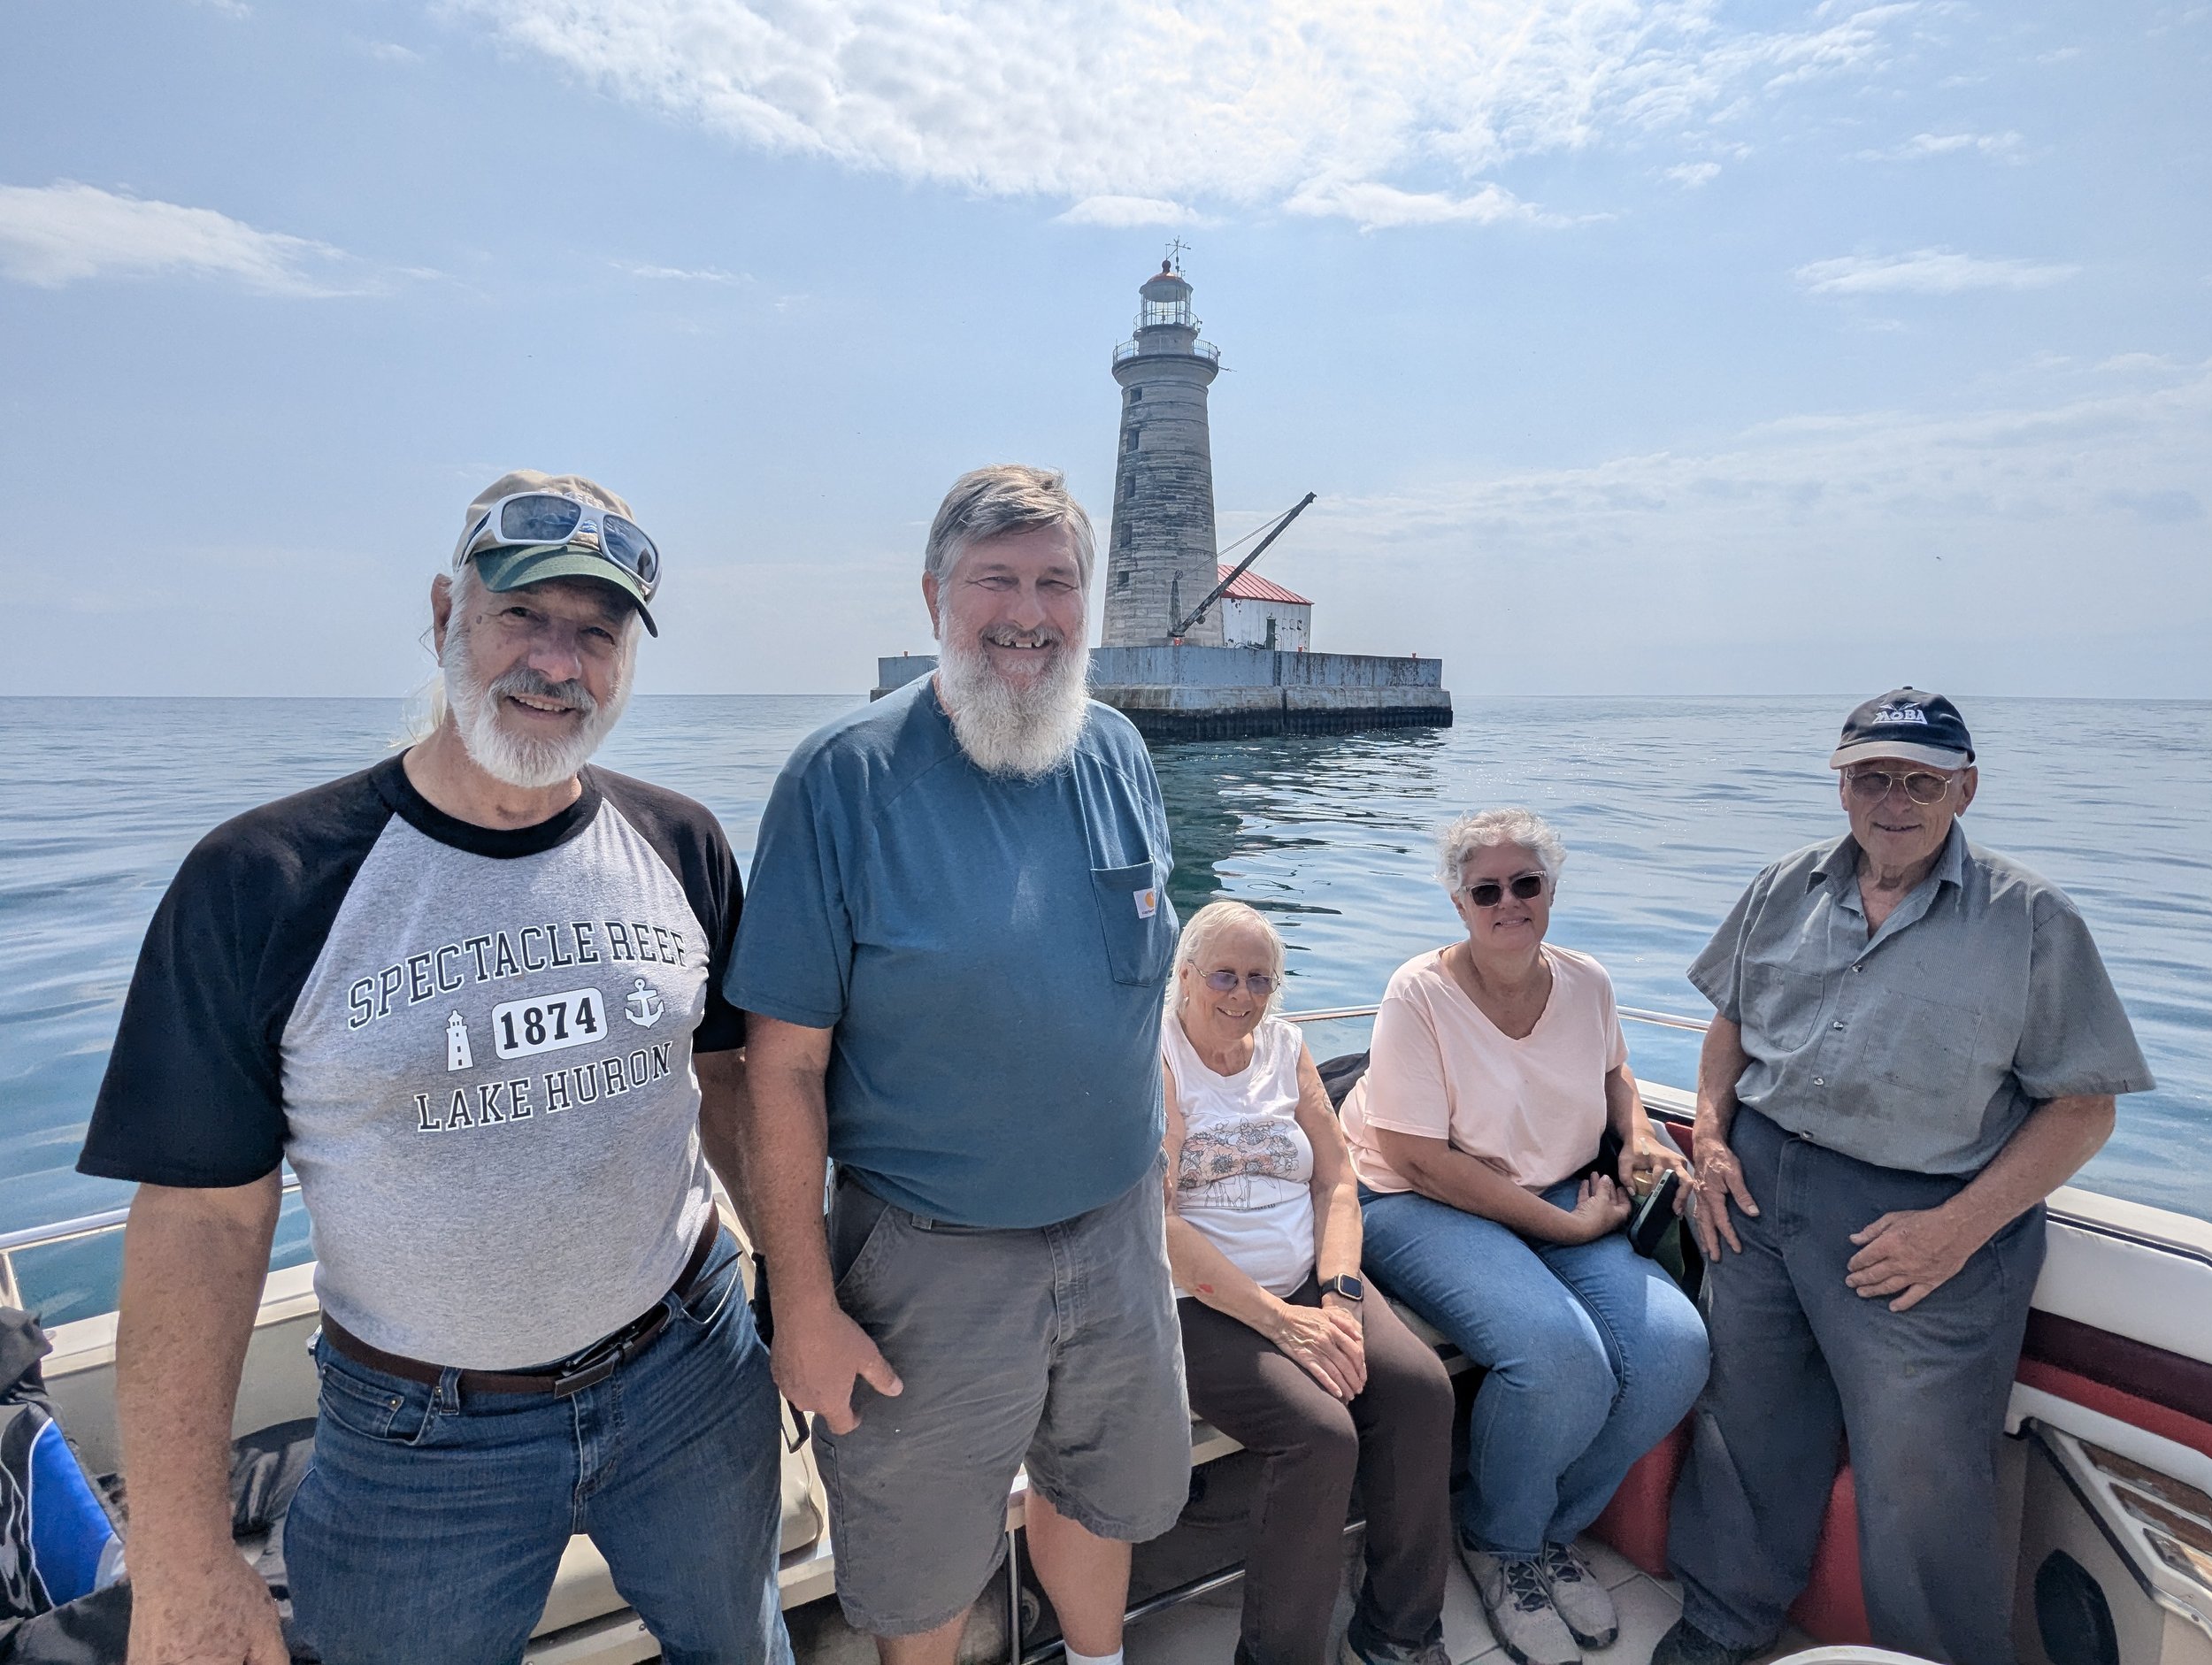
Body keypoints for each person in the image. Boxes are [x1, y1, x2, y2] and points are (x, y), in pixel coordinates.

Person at [78, 472, 790, 1665]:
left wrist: (797, 1291)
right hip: (420, 1435)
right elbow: (202, 1217)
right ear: (444, 610)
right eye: (524, 616)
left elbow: (728, 1082)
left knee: (741, 1643)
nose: (557, 663)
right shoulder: (263, 881)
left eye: (597, 633)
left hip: (690, 1367)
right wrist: (182, 1552)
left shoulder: (681, 841)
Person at [730, 465, 1188, 1665]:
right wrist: (804, 1302)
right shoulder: (842, 779)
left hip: (1118, 1234)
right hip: (927, 1261)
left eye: (1056, 581)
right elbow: (778, 1069)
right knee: (920, 1556)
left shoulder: (1124, 753)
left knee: (1099, 1497)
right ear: (936, 593)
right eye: (996, 580)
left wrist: (1163, 1161)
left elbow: (1140, 993)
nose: (1028, 611)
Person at [1655, 688, 2156, 1665]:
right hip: (1757, 1195)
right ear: (1840, 785)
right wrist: (1708, 1140)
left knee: (1922, 1474)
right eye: (1871, 775)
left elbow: (2084, 1107)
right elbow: (1729, 1026)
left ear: (1963, 789)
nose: (1894, 798)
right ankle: (1720, 1625)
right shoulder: (1781, 886)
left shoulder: (2032, 920)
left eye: (1920, 779)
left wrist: (1958, 1228)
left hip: (1923, 1223)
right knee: (1744, 1423)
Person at [1343, 808, 1709, 1665]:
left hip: (1555, 1186)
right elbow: (1418, 1158)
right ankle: (1499, 1542)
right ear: (1459, 902)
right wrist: (1563, 1224)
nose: (1508, 901)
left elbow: (1616, 1073)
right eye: (1486, 889)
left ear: (1550, 889)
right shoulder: (1417, 994)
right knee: (1557, 1354)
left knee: (1675, 1349)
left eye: (1526, 883)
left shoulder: (1585, 980)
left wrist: (1645, 1135)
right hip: (1414, 1196)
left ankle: (1544, 1531)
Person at [1164, 901, 1455, 1665]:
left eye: (1260, 978)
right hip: (1197, 1302)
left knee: (1421, 1391)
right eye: (1223, 975)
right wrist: (1278, 1321)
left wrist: (1339, 1296)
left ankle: (1400, 1631)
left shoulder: (1285, 1048)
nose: (1241, 994)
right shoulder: (1158, 1058)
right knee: (1319, 1436)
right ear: (1184, 977)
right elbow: (1154, 1224)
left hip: (1307, 1280)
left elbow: (1336, 1182)